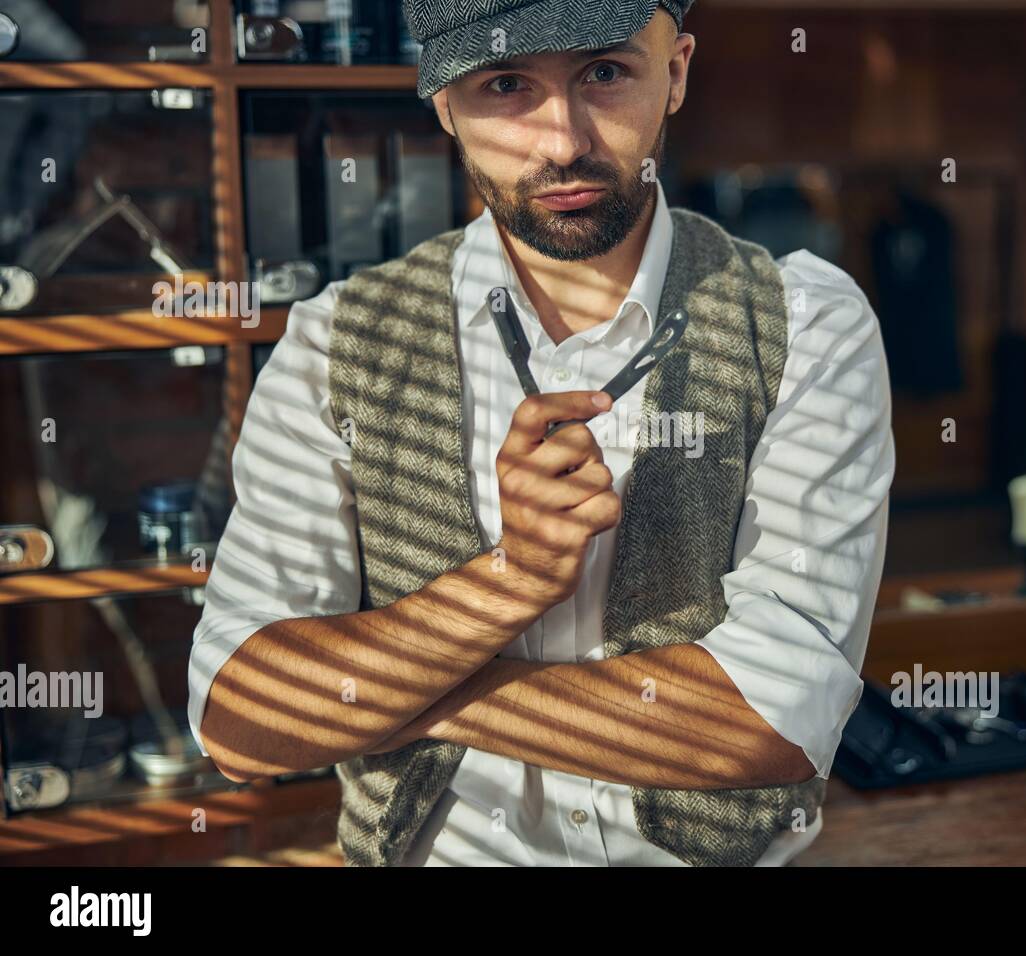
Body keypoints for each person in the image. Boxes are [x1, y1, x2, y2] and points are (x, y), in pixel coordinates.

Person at [187, 0, 895, 866]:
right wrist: (509, 583)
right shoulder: (335, 345)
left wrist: (390, 694)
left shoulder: (805, 321)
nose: (562, 142)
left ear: (674, 73)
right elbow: (241, 724)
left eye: (604, 72)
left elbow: (772, 721)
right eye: (506, 83)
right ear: (443, 102)